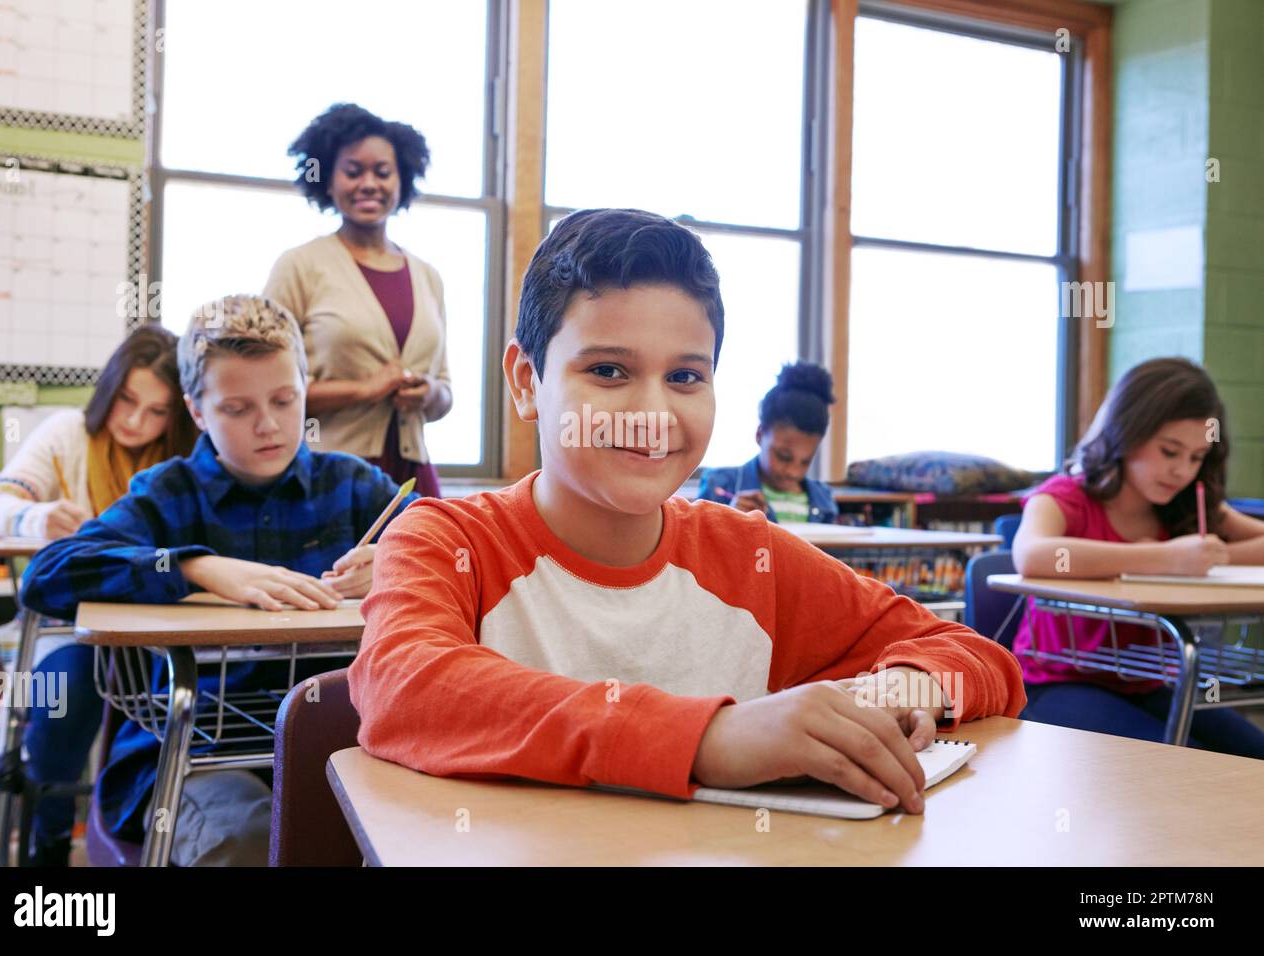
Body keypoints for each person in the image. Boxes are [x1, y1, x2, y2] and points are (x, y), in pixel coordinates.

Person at [350, 209, 1025, 815]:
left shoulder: (752, 560)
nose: (653, 414)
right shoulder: (447, 538)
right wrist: (710, 737)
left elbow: (976, 655)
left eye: (685, 377)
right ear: (528, 381)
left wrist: (895, 693)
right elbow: (403, 686)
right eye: (609, 371)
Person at [21, 295, 418, 864]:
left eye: (285, 399)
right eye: (236, 408)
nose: (269, 425)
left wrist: (400, 559)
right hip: (195, 753)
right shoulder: (167, 494)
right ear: (198, 411)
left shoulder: (355, 486)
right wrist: (194, 567)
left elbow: (462, 553)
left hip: (341, 742)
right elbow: (47, 574)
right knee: (248, 842)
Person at [0, 324, 197, 865]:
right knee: (61, 696)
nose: (136, 422)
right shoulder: (66, 434)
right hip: (72, 628)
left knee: (187, 714)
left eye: (158, 411)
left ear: (180, 414)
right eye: (127, 400)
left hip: (166, 633)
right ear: (109, 387)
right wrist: (37, 515)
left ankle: (154, 837)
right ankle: (47, 843)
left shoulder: (186, 459)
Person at [1012, 356, 1264, 757]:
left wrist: (1213, 557)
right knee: (1175, 766)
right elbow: (1033, 555)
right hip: (1054, 683)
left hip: (1148, 683)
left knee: (1250, 756)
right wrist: (1164, 558)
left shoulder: (1184, 505)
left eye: (1197, 457)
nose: (1182, 471)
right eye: (1170, 451)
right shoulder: (1066, 496)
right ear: (1127, 433)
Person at [265, 102, 451, 497]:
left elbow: (445, 392)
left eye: (383, 172)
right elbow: (267, 388)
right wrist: (365, 389)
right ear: (328, 181)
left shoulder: (428, 276)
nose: (369, 183)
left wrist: (429, 393)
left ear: (402, 180)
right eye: (353, 171)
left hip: (413, 477)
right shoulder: (299, 266)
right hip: (327, 479)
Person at [697, 361, 839, 523]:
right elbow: (694, 542)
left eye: (805, 462)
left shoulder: (823, 498)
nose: (793, 472)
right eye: (783, 456)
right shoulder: (721, 485)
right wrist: (729, 522)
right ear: (760, 434)